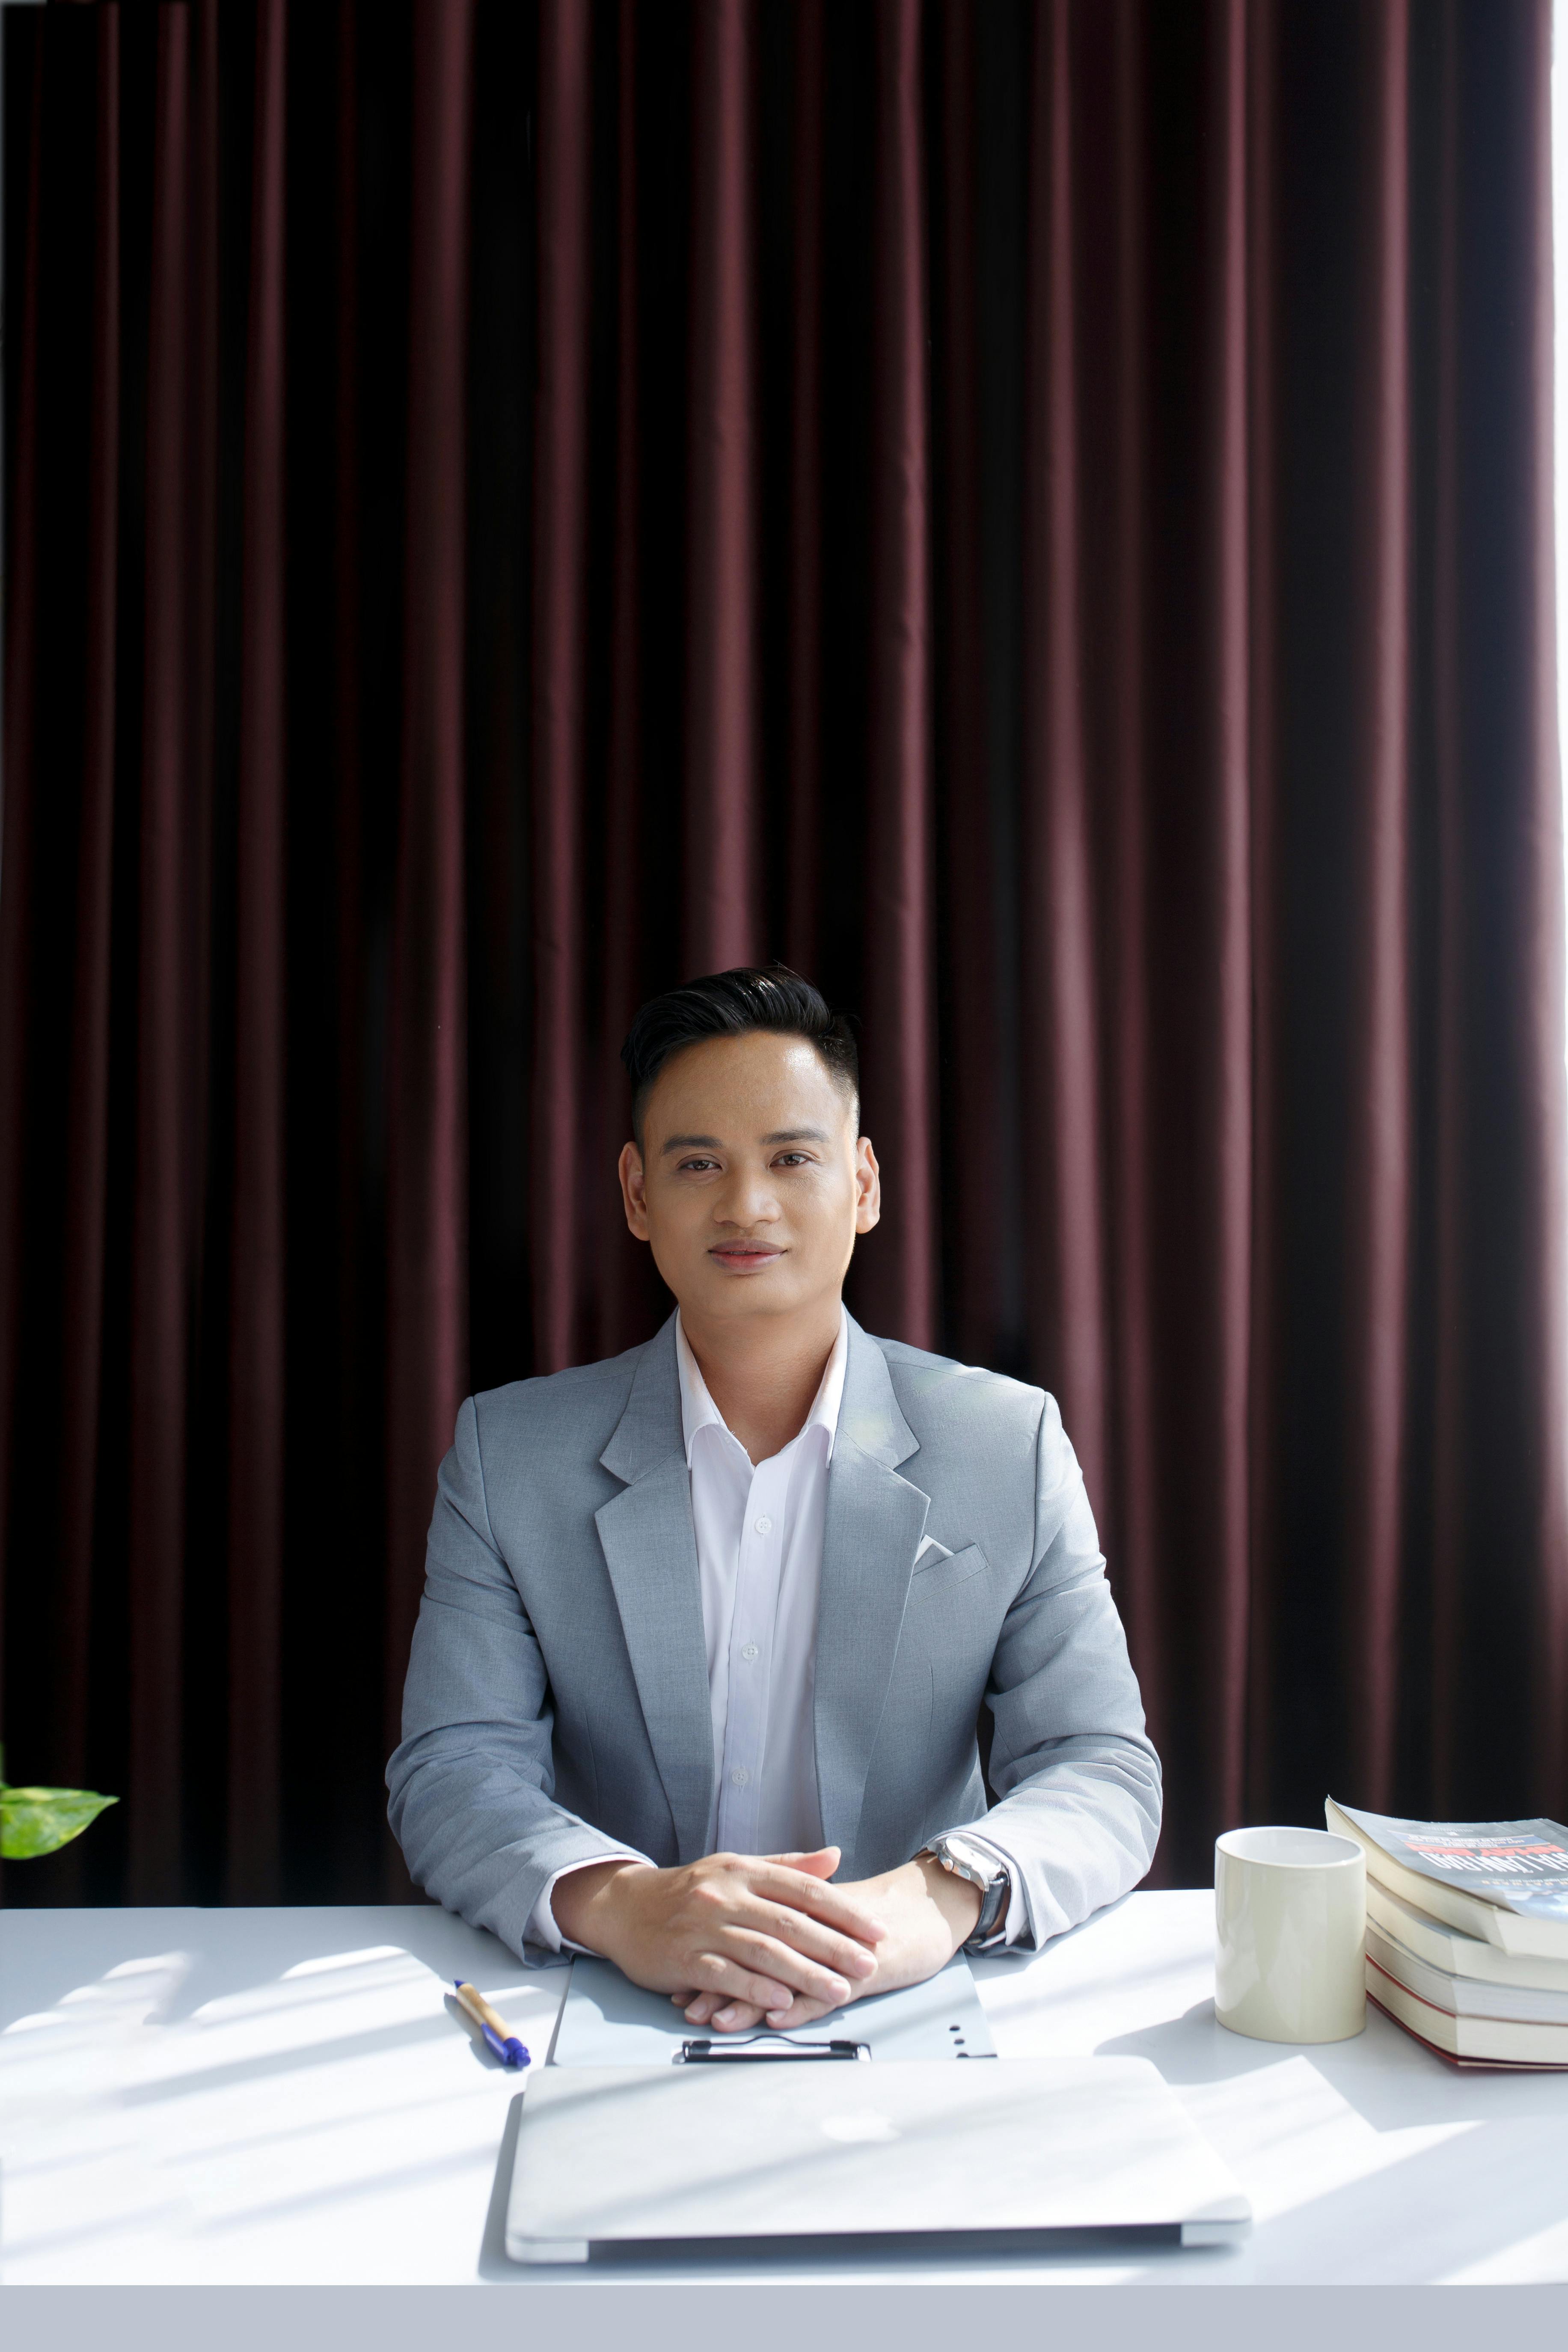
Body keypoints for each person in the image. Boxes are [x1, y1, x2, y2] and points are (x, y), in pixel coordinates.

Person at [388, 967, 1160, 2036]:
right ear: (636, 1195)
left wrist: (929, 1902)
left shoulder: (1006, 1442)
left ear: (863, 1184)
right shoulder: (509, 1454)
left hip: (912, 1999)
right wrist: (622, 1904)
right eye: (697, 1163)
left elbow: (1101, 1766)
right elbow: (452, 1767)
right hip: (614, 1999)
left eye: (791, 1159)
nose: (745, 1206)